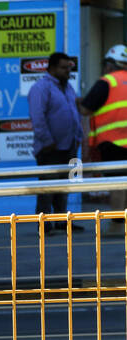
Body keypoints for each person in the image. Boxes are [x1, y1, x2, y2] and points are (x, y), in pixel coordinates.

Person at [28, 52, 82, 231]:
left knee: (64, 187)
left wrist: (78, 136)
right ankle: (44, 223)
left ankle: (61, 221)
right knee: (47, 187)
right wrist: (47, 141)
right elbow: (37, 117)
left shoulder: (68, 88)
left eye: (69, 67)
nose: (68, 71)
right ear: (51, 68)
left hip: (69, 145)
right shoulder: (41, 88)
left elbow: (75, 114)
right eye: (63, 67)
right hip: (50, 148)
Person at [80, 45, 127, 232]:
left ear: (109, 64)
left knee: (117, 184)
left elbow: (85, 109)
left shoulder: (107, 82)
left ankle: (117, 224)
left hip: (113, 143)